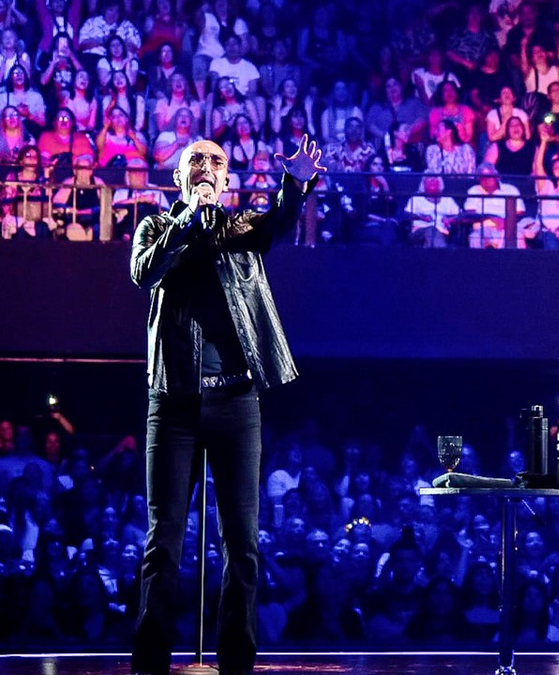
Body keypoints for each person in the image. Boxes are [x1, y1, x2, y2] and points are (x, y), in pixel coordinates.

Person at [128, 134, 326, 675]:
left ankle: (236, 663)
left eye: (217, 161)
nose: (208, 167)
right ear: (181, 177)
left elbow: (281, 221)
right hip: (172, 405)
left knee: (241, 540)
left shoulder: (241, 228)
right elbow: (145, 271)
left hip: (237, 401)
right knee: (162, 540)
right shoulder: (156, 228)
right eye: (197, 160)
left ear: (228, 176)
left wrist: (296, 182)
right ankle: (149, 665)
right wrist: (190, 221)